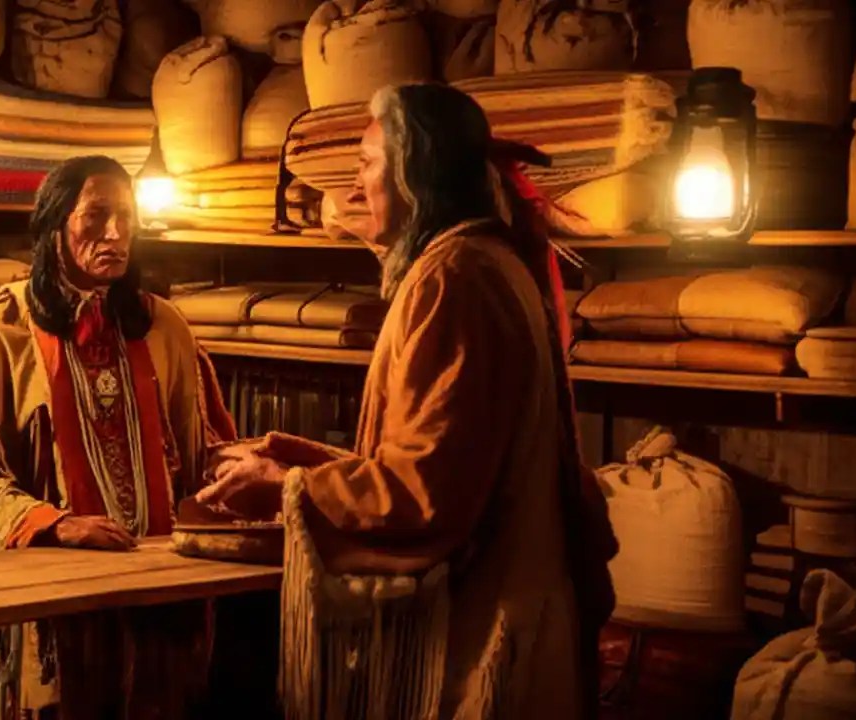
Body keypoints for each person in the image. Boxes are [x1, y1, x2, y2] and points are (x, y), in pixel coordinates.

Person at [199, 83, 619, 719]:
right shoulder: (477, 260)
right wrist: (295, 458)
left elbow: (426, 488)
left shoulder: (454, 280)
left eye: (367, 164)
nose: (354, 186)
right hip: (510, 606)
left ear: (414, 172)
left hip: (482, 633)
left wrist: (292, 487)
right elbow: (442, 450)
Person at [0, 155, 237, 720]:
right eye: (95, 217)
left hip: (159, 590)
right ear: (55, 224)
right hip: (51, 597)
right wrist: (55, 523)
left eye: (125, 217)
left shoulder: (165, 327)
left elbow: (204, 452)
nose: (114, 233)